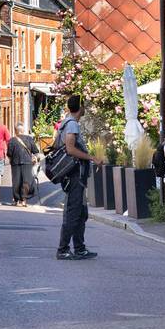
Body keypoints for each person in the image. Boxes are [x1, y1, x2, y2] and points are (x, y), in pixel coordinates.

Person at [56, 94, 101, 260]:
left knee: (81, 213)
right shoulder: (72, 124)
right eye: (84, 105)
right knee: (74, 212)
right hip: (75, 175)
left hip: (75, 175)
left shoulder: (67, 122)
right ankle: (63, 249)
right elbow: (70, 149)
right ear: (80, 107)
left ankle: (80, 248)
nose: (85, 108)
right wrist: (92, 158)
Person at [6, 124, 39, 207]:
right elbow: (35, 151)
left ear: (15, 131)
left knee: (16, 181)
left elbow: (9, 153)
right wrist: (35, 158)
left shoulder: (12, 140)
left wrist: (11, 159)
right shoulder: (29, 139)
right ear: (23, 131)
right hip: (27, 163)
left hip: (15, 163)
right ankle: (23, 200)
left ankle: (17, 200)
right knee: (26, 181)